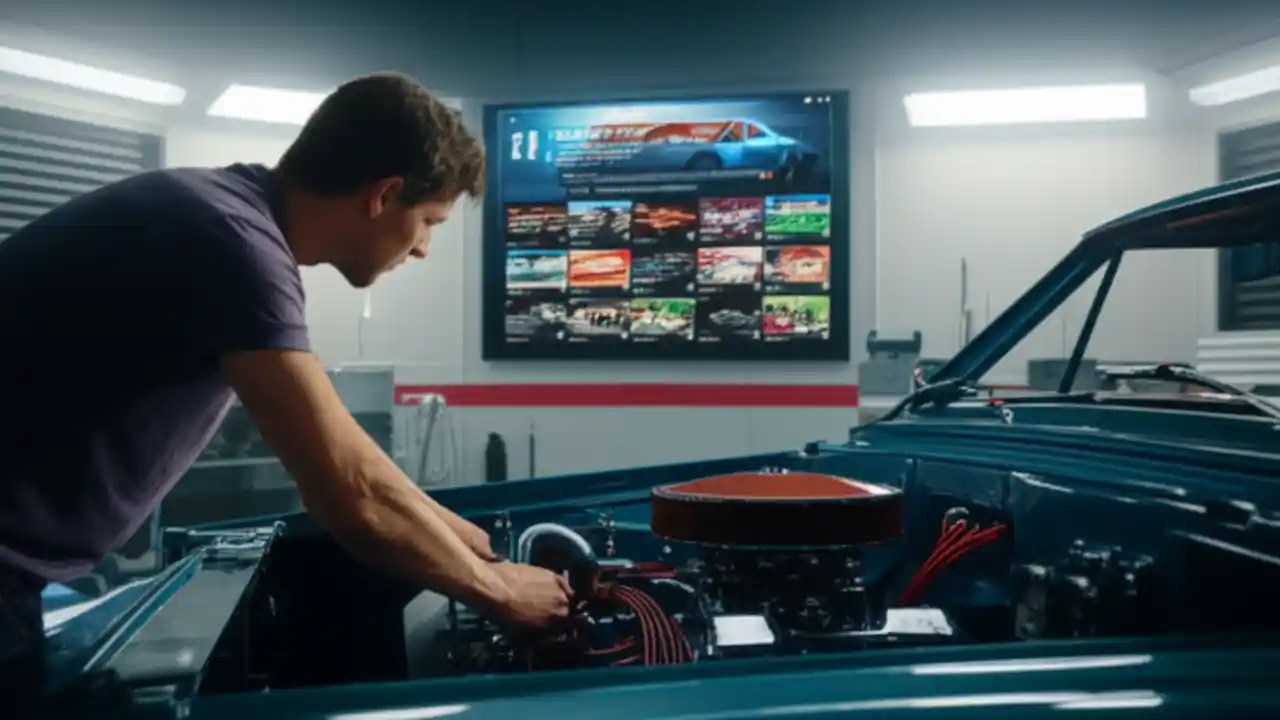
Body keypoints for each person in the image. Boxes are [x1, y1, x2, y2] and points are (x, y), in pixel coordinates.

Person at [0, 73, 572, 687]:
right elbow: (350, 490)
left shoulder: (221, 213)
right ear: (384, 195)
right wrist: (500, 593)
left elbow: (358, 464)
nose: (423, 248)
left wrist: (467, 542)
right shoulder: (236, 246)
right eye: (429, 221)